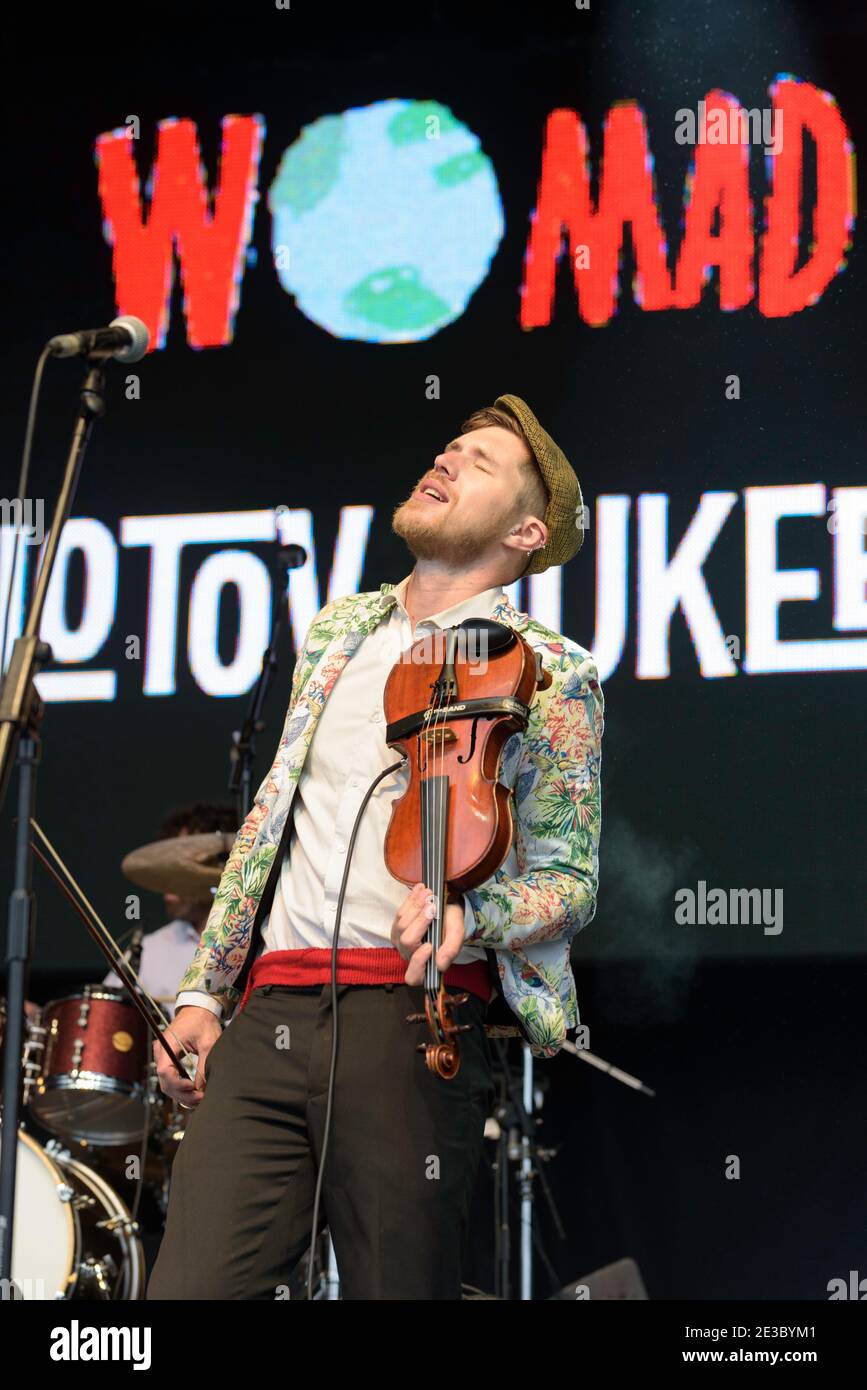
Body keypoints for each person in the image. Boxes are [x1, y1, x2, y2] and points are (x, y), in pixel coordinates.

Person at [147, 394, 604, 1301]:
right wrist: (203, 988)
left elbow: (571, 881)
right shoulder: (337, 630)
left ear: (524, 530)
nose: (445, 460)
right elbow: (271, 817)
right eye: (448, 447)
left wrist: (474, 912)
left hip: (411, 1022)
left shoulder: (554, 669)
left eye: (478, 460)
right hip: (268, 1014)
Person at [104, 802, 237, 1018]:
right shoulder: (149, 950)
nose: (169, 887)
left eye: (182, 871)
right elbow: (103, 1016)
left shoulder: (264, 942)